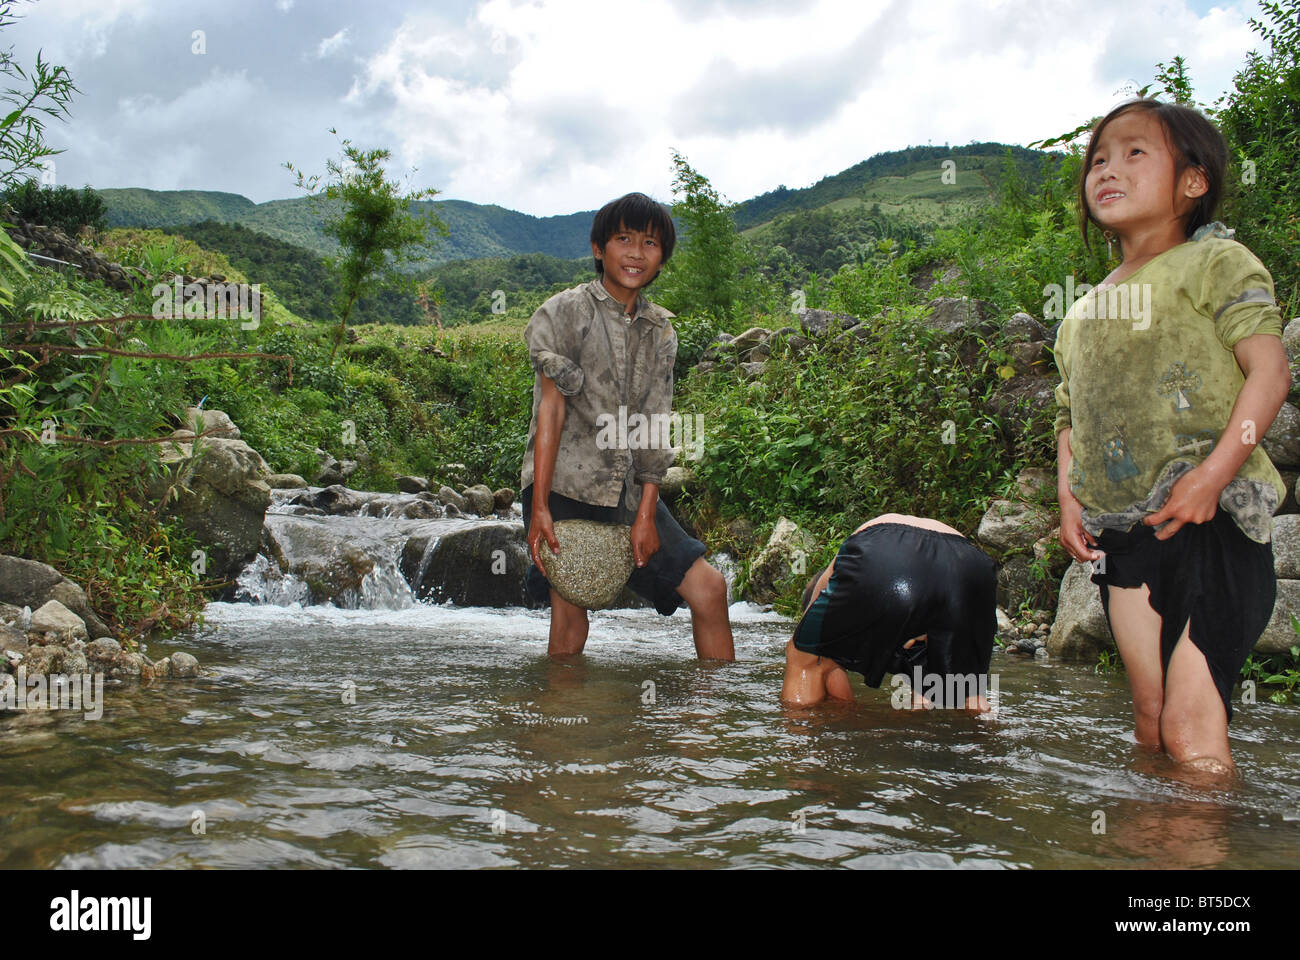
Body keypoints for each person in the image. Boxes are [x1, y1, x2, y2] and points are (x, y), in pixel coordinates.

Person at [1054, 98, 1289, 773]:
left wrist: (1212, 477)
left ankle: (1202, 873)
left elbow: (1268, 375)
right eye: (1098, 158)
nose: (1108, 168)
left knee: (1190, 726)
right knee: (1153, 724)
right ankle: (1155, 852)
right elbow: (1071, 418)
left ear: (1193, 182)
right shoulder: (1082, 310)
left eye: (1134, 153)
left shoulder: (1214, 264)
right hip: (1124, 535)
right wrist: (1071, 501)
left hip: (1215, 521)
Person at [520, 192, 734, 660]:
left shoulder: (661, 330)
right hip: (564, 483)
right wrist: (539, 506)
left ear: (662, 258)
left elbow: (656, 422)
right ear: (599, 248)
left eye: (650, 243)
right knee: (571, 614)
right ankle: (561, 727)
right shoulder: (564, 313)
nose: (637, 252)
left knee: (710, 590)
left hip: (631, 488)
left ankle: (713, 729)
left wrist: (646, 512)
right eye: (623, 239)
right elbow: (550, 412)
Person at [781, 514, 997, 711]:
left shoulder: (830, 588)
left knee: (804, 656)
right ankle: (984, 742)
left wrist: (846, 717)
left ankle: (799, 740)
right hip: (971, 566)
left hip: (886, 549)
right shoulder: (908, 617)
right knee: (966, 690)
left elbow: (820, 649)